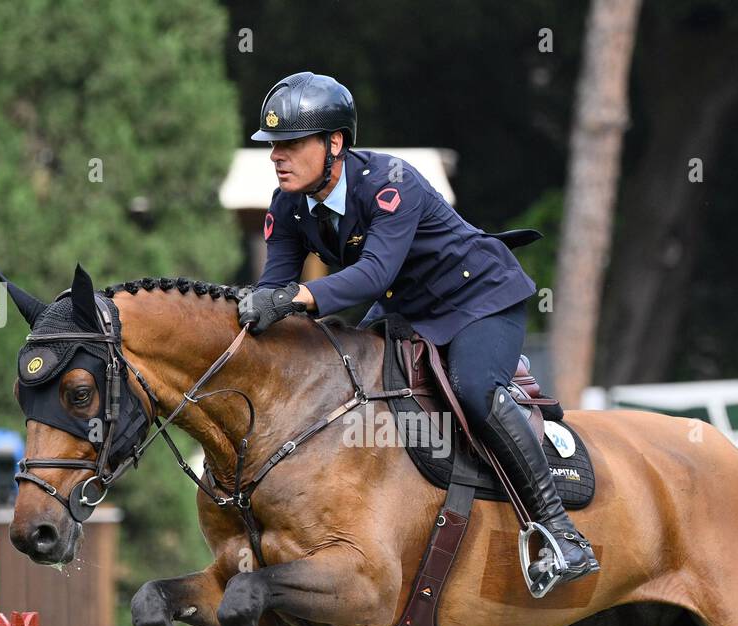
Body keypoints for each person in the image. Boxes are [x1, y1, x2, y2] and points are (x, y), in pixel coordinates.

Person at [237, 71, 599, 588]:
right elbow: (276, 289)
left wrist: (298, 297)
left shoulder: (391, 183)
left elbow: (373, 274)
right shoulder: (288, 206)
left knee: (475, 388)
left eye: (292, 143)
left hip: (479, 300)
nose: (277, 155)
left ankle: (561, 533)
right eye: (274, 144)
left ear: (334, 143)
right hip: (408, 311)